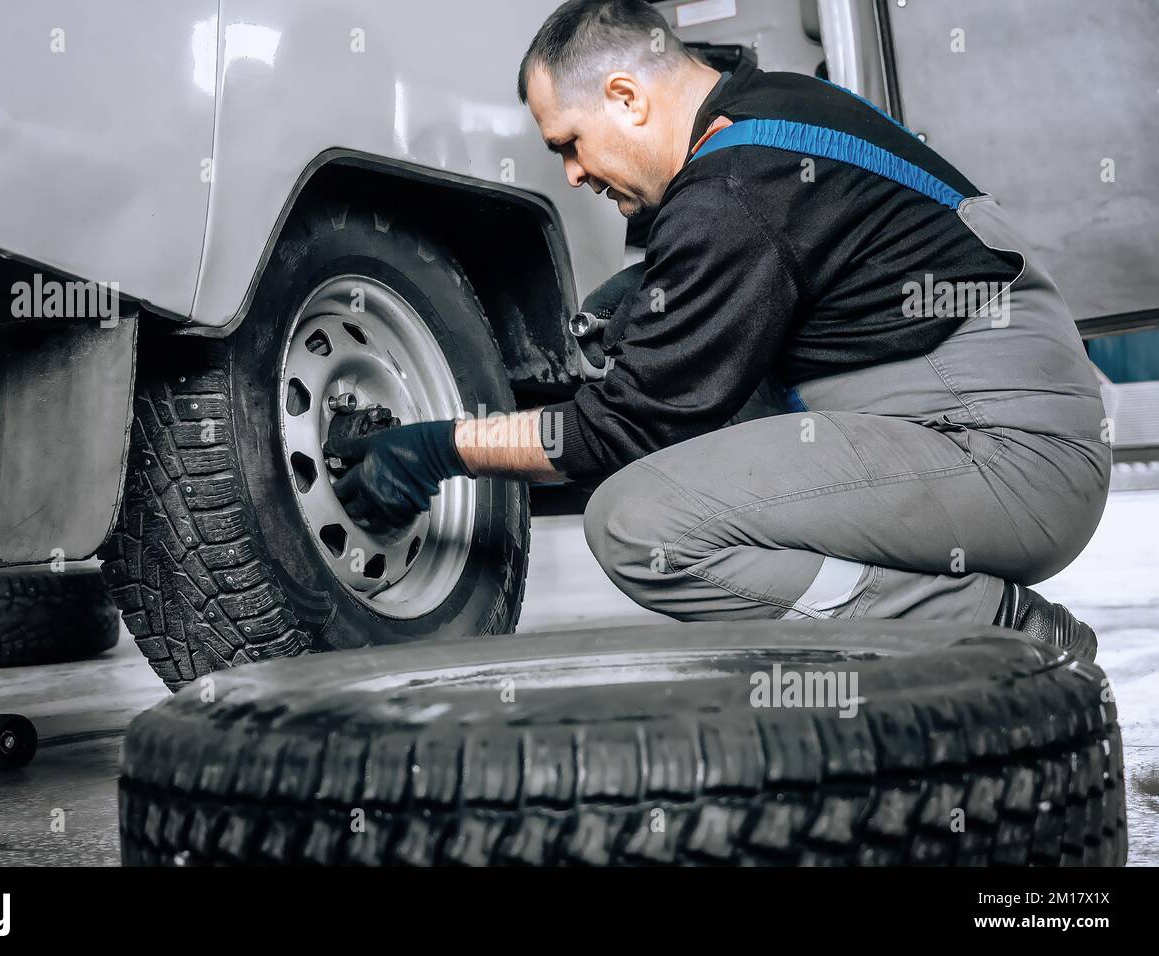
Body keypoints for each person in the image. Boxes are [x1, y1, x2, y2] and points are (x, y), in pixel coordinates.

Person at [331, 0, 1110, 656]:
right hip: (994, 421)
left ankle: (993, 629)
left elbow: (618, 434)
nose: (572, 172)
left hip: (1009, 459)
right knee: (630, 311)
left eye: (569, 143)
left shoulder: (734, 191)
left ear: (628, 97)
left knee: (639, 526)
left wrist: (435, 450)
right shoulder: (768, 110)